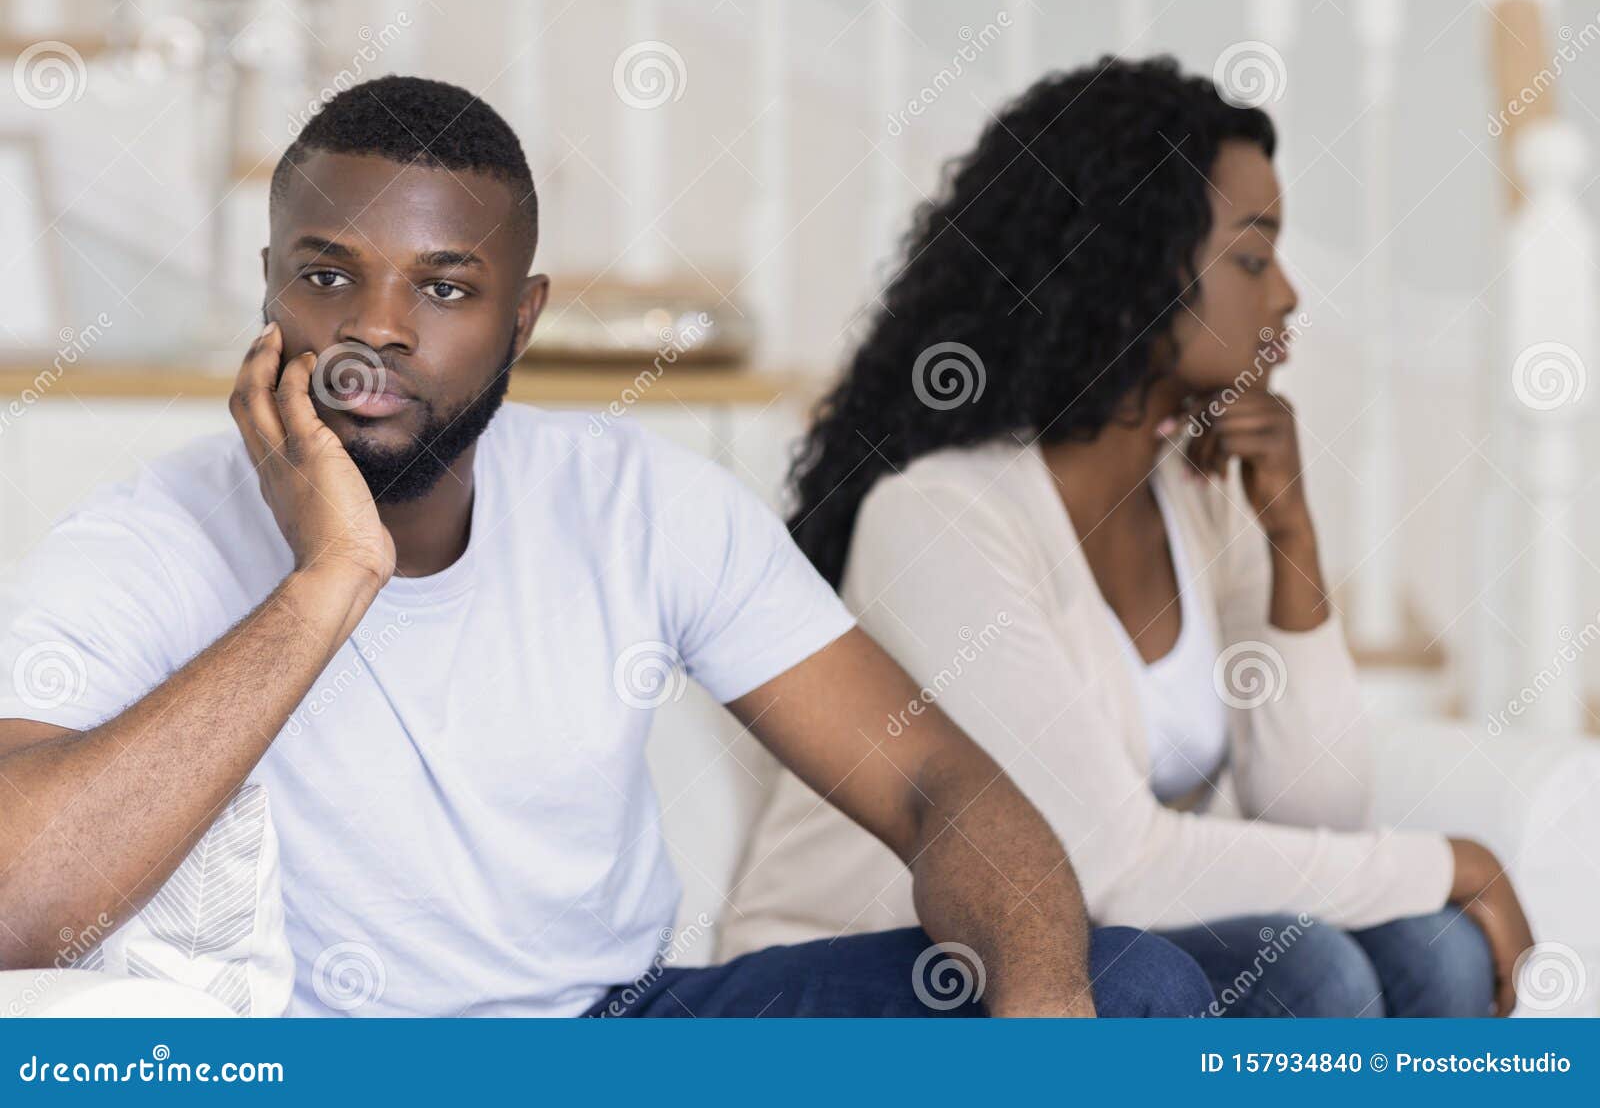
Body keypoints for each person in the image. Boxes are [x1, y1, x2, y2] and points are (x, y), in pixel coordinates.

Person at [0, 75, 1212, 1019]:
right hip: (322, 1059)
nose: (376, 329)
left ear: (522, 313)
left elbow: (936, 783)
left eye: (445, 287)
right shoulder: (142, 543)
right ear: (268, 289)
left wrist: (1047, 1011)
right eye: (329, 275)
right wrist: (332, 580)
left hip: (617, 1035)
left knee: (1132, 988)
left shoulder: (642, 502)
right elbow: (19, 906)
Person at [719, 57, 1533, 1018]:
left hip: (1096, 950)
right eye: (1252, 257)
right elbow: (1105, 863)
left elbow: (1315, 809)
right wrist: (1449, 860)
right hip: (888, 971)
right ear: (1133, 263)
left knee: (1430, 951)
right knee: (1317, 968)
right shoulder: (941, 518)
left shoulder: (1198, 502)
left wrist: (1293, 538)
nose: (1287, 299)